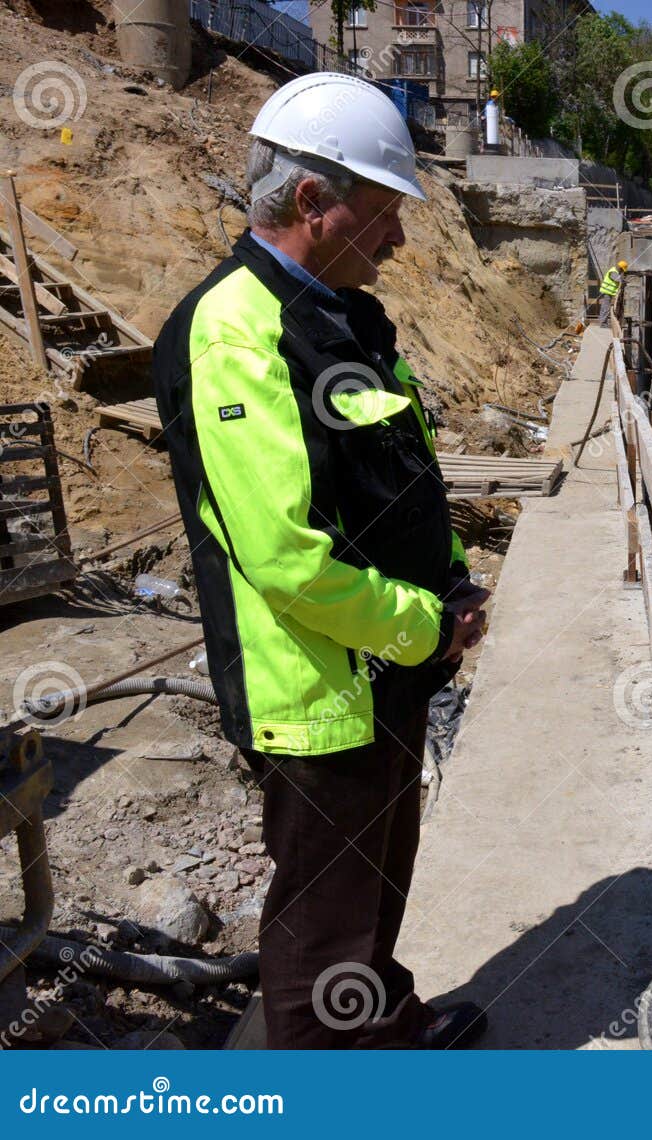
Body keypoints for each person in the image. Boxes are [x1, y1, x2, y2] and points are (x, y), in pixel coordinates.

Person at [153, 73, 490, 1049]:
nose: (396, 240)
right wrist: (426, 623)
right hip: (315, 693)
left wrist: (454, 579)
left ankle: (383, 1024)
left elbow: (406, 477)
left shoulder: (347, 318)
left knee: (377, 882)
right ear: (312, 202)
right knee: (320, 928)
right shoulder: (233, 330)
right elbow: (287, 563)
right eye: (381, 215)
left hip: (387, 670)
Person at [598, 258, 627, 323]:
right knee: (606, 308)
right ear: (620, 268)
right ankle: (603, 322)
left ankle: (602, 321)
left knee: (605, 307)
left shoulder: (615, 272)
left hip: (609, 292)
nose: (622, 272)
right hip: (607, 292)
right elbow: (617, 279)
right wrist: (623, 281)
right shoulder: (613, 272)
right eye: (622, 270)